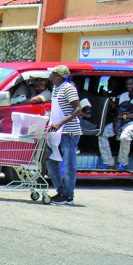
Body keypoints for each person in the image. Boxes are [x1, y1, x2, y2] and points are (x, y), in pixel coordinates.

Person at [46, 65, 83, 204]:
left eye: (53, 73)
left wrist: (60, 123)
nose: (50, 76)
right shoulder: (56, 88)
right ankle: (61, 190)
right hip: (56, 132)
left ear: (59, 76)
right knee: (51, 161)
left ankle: (68, 195)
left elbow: (78, 110)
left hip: (69, 132)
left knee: (68, 165)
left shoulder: (68, 88)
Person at [98, 77, 133, 169]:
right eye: (126, 84)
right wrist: (115, 123)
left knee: (125, 137)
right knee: (102, 133)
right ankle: (108, 161)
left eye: (130, 84)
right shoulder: (123, 95)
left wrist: (123, 117)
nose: (128, 86)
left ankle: (123, 163)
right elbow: (117, 111)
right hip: (120, 122)